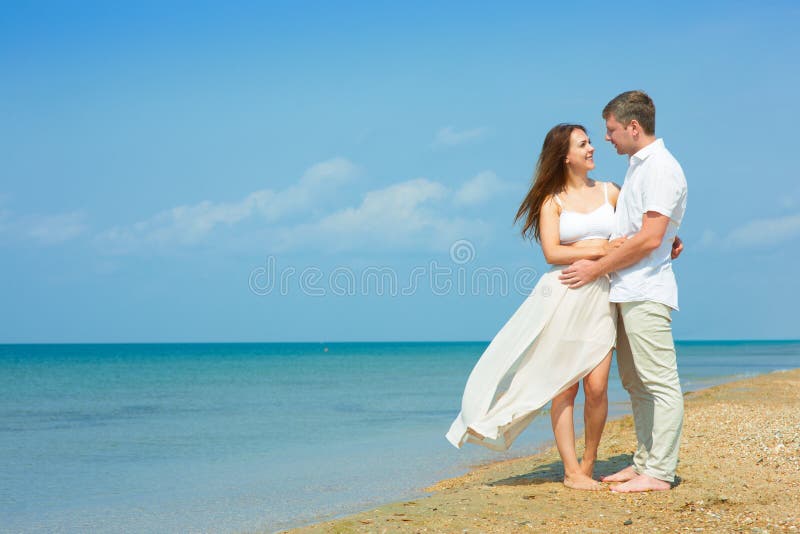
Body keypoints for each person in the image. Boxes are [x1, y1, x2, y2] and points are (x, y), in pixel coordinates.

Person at [446, 123, 625, 490]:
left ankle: (589, 461)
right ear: (566, 156)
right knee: (563, 387)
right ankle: (572, 470)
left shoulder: (611, 192)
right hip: (564, 294)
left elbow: (634, 234)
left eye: (590, 142)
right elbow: (552, 253)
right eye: (583, 144)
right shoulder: (552, 201)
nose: (592, 148)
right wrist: (601, 248)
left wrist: (665, 242)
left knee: (597, 386)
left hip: (601, 296)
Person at [559, 90, 688, 493]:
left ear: (633, 127)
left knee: (660, 382)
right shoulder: (638, 167)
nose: (608, 138)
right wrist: (669, 238)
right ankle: (644, 462)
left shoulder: (661, 168)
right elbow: (641, 230)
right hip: (626, 291)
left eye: (612, 130)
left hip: (646, 291)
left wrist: (596, 267)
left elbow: (649, 238)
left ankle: (660, 472)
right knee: (636, 383)